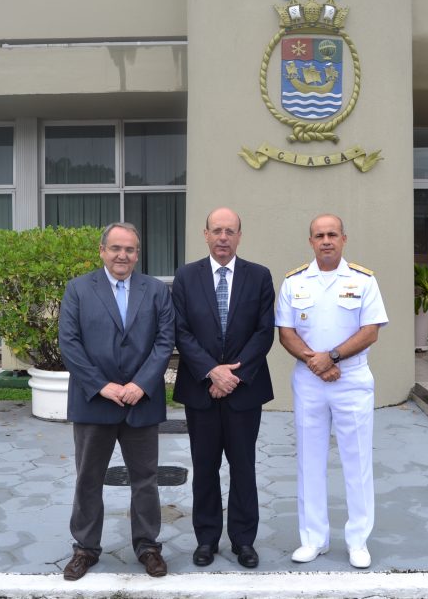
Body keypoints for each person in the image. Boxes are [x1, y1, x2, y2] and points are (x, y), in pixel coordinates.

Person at [57, 222, 175, 581]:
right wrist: (102, 386)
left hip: (141, 401)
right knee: (88, 479)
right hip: (95, 402)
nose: (123, 255)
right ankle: (85, 549)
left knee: (145, 479)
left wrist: (141, 384)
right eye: (116, 248)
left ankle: (148, 547)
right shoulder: (78, 289)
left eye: (130, 250)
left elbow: (164, 340)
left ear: (137, 253)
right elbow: (69, 343)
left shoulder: (155, 290)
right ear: (102, 250)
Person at [275, 213, 389, 569]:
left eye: (332, 234)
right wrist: (317, 362)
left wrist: (333, 357)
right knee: (309, 460)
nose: (326, 240)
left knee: (357, 462)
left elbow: (371, 330)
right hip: (310, 381)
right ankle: (313, 539)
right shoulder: (294, 282)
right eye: (319, 235)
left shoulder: (363, 280)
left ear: (344, 238)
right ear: (310, 241)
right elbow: (286, 332)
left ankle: (358, 541)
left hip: (351, 379)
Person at [172, 208, 275, 569]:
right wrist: (211, 372)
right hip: (200, 389)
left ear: (239, 236)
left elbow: (264, 332)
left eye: (230, 231)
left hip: (244, 390)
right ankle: (206, 540)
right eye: (217, 230)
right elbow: (180, 331)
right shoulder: (186, 277)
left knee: (244, 467)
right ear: (205, 234)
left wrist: (232, 376)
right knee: (204, 467)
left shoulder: (259, 276)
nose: (223, 237)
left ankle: (244, 541)